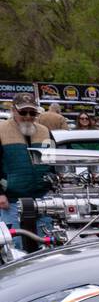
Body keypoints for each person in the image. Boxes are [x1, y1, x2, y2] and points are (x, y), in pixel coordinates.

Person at [0, 94, 53, 229]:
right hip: (12, 201)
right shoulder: (1, 130)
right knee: (16, 244)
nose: (28, 116)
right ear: (13, 110)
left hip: (43, 199)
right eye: (23, 112)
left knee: (47, 243)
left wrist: (53, 186)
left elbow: (53, 162)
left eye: (33, 112)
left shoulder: (45, 131)